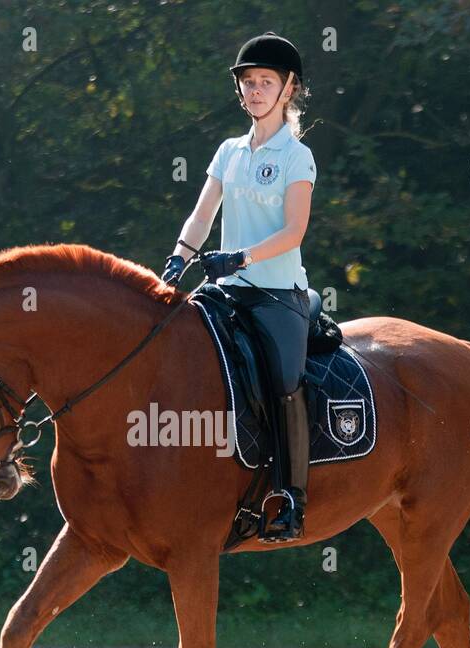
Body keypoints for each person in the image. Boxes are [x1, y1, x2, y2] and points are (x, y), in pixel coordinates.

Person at [160, 31, 317, 543]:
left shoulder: (297, 157)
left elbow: (294, 231)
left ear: (287, 89)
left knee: (284, 381)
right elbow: (202, 214)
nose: (253, 91)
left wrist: (241, 257)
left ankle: (290, 497)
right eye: (248, 83)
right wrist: (177, 261)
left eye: (264, 82)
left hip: (277, 295)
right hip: (225, 290)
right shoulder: (228, 151)